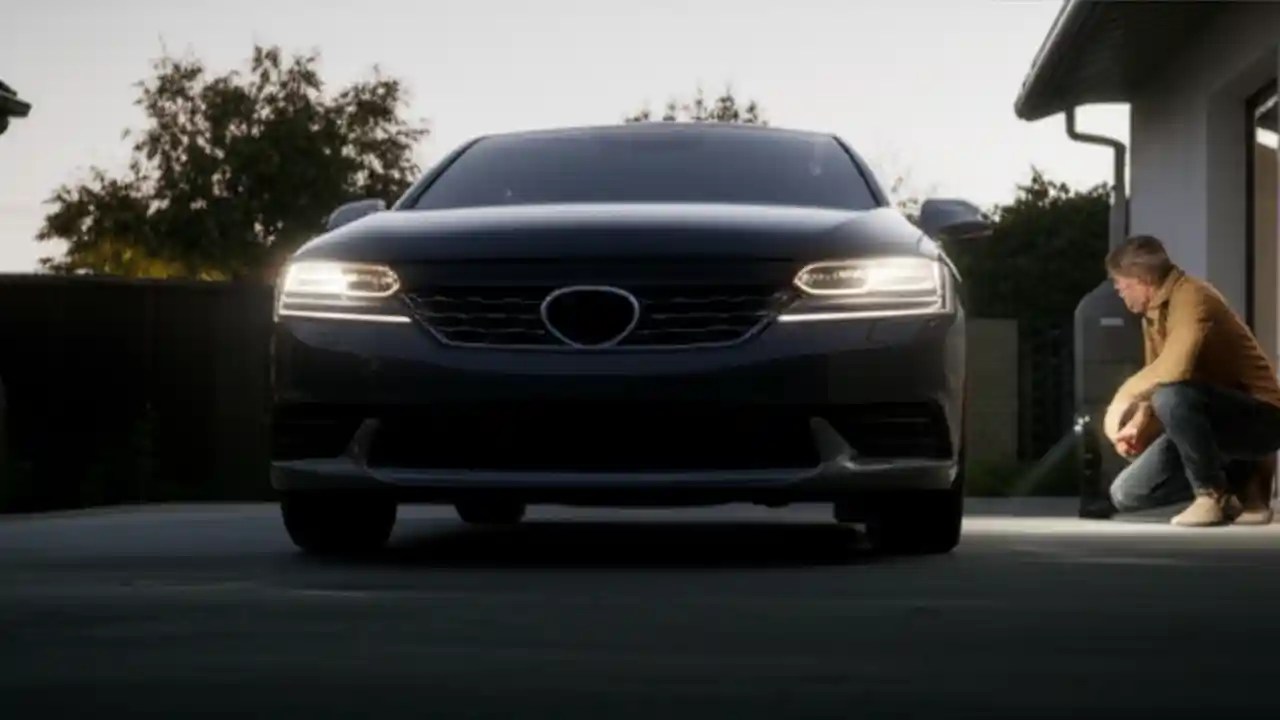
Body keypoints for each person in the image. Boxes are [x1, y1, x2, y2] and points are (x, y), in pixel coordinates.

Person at [1104, 235, 1280, 526]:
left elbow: (1175, 367)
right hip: (1209, 419)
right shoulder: (1152, 313)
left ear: (1143, 280)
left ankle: (1213, 495)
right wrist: (1137, 424)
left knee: (1171, 397)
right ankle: (1238, 482)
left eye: (1121, 285)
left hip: (1263, 418)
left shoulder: (1194, 297)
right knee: (1126, 494)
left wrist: (1122, 398)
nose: (1119, 292)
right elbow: (1157, 378)